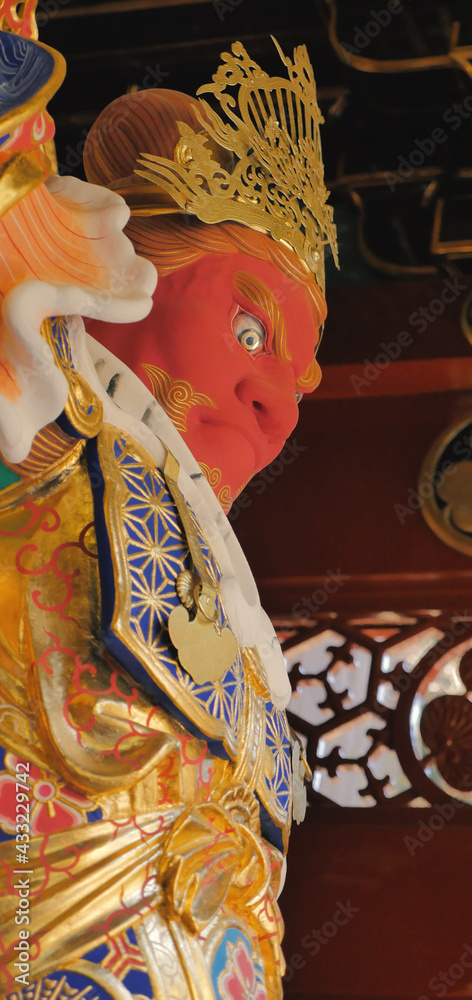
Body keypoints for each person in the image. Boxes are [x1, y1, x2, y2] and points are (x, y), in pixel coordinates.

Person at [0, 24, 336, 1000]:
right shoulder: (44, 411)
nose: (276, 400)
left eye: (302, 382)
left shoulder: (230, 609)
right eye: (247, 328)